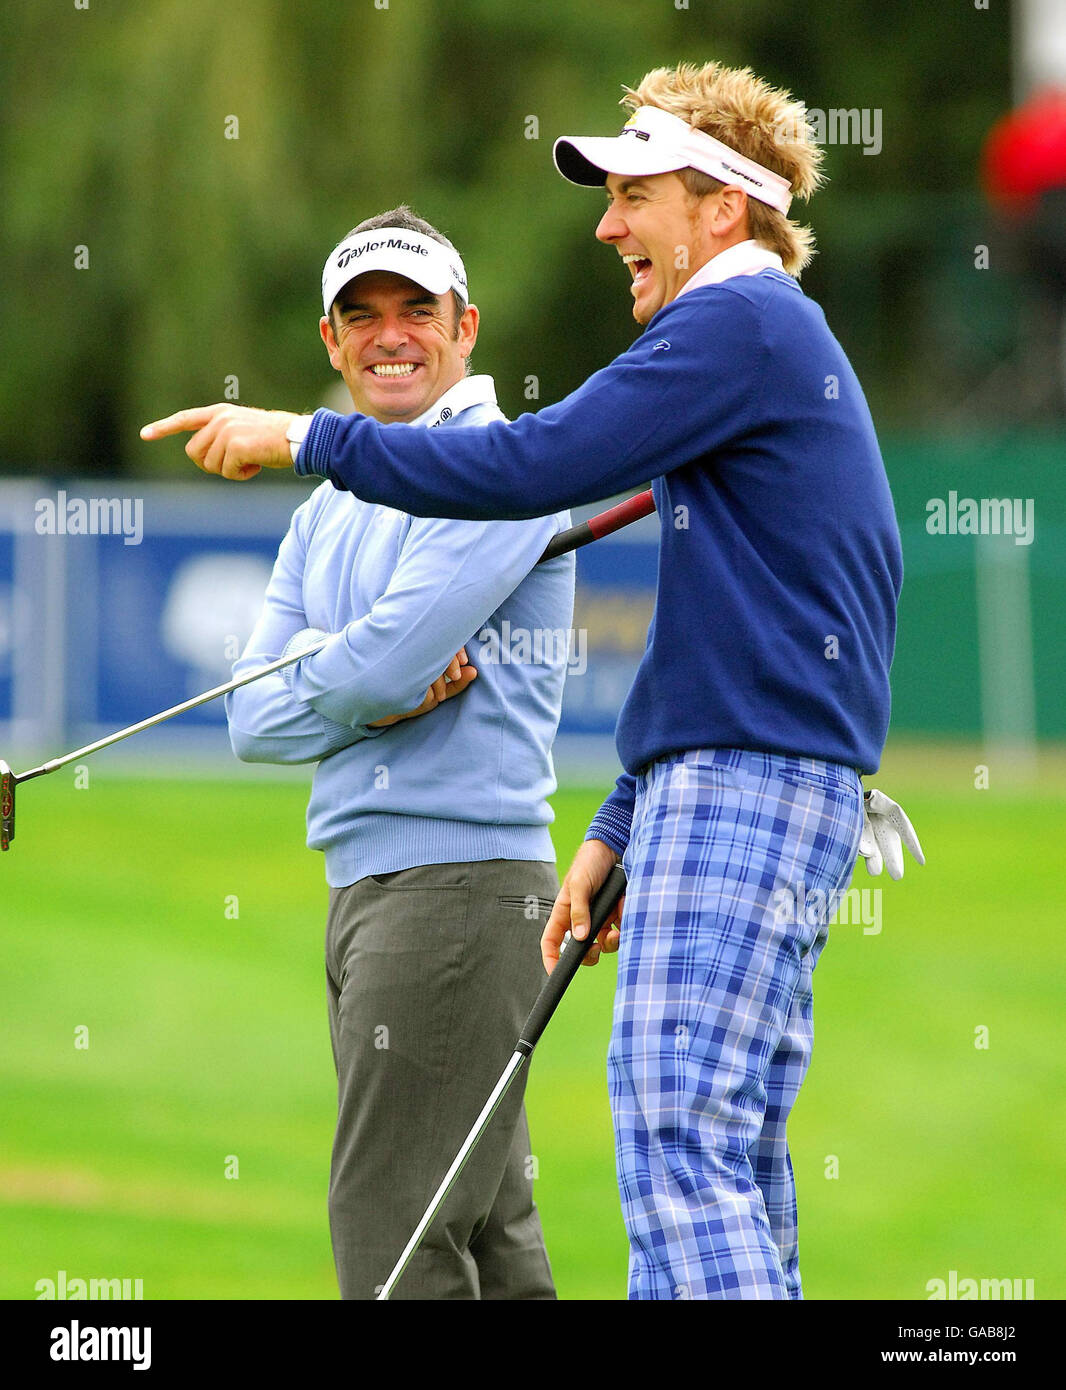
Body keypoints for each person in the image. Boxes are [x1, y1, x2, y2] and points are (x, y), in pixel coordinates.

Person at [142, 61, 924, 1300]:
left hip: (745, 785)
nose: (608, 226)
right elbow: (730, 629)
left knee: (677, 1144)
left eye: (632, 194)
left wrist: (303, 438)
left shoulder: (737, 321)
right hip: (738, 780)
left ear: (722, 206)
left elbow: (527, 464)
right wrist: (623, 819)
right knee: (723, 1159)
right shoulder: (759, 339)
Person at [218, 206, 573, 1300]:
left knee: (394, 1239)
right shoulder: (329, 507)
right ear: (331, 341)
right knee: (491, 1244)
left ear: (466, 328)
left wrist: (352, 672)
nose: (390, 335)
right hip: (376, 892)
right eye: (361, 315)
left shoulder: (496, 463)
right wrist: (368, 693)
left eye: (417, 309)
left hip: (455, 892)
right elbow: (252, 721)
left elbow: (371, 668)